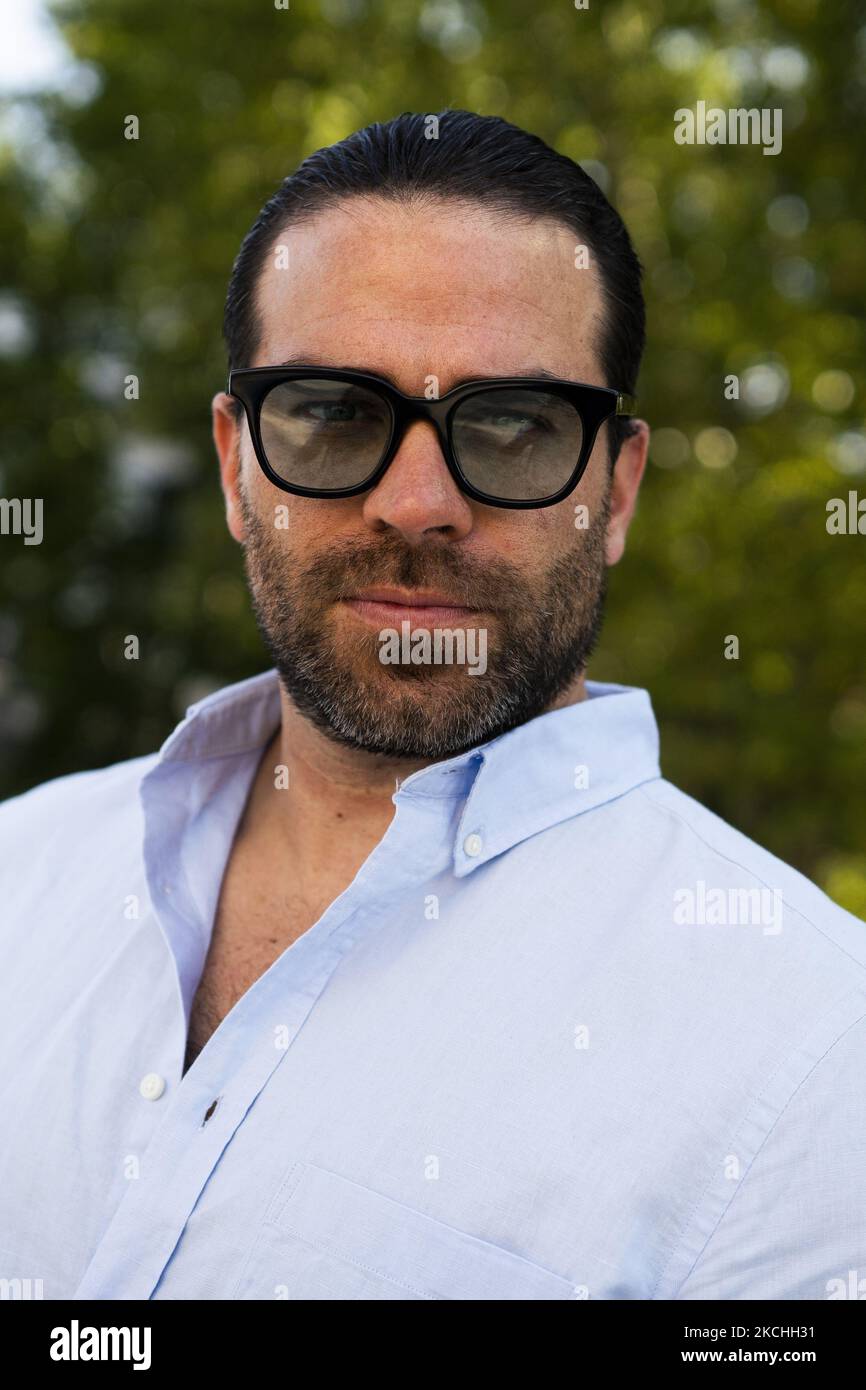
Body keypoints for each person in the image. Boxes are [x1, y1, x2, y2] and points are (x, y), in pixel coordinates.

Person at [2, 110, 864, 1302]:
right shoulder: (20, 869)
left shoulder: (819, 1055)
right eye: (333, 412)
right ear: (236, 468)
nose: (416, 504)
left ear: (615, 493)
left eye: (511, 426)